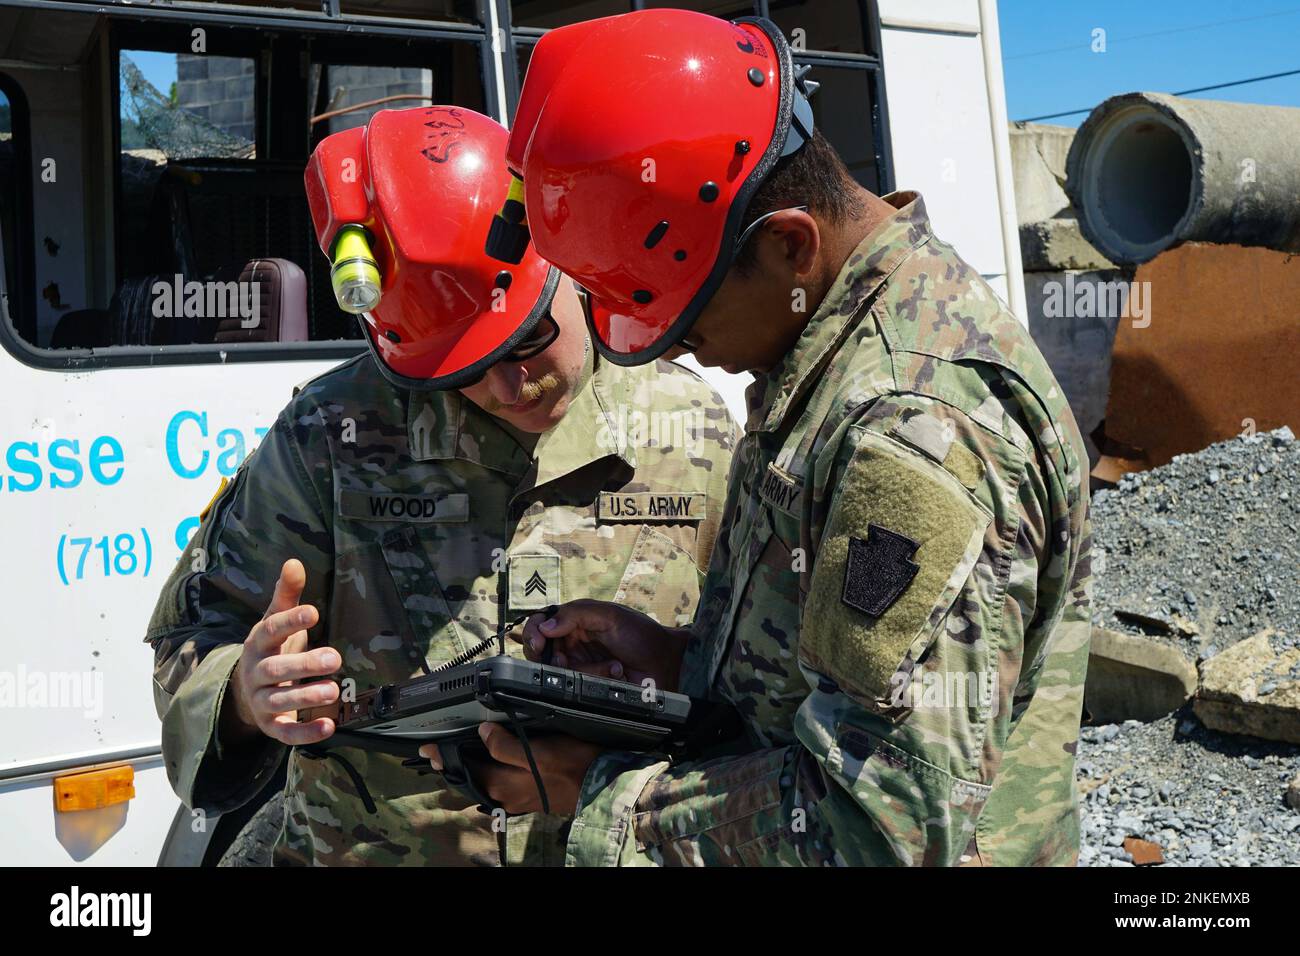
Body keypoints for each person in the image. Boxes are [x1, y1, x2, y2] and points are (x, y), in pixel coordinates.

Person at [448, 10, 1093, 866]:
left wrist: (600, 797)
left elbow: (882, 823)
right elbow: (829, 681)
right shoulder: (831, 347)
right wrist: (679, 662)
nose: (671, 345)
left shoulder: (913, 426)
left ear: (790, 245)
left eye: (682, 310)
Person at [146, 106, 738, 866]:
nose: (509, 384)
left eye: (528, 340)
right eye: (460, 371)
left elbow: (757, 679)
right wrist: (243, 695)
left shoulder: (694, 425)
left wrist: (666, 666)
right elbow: (191, 638)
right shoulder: (331, 432)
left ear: (562, 263)